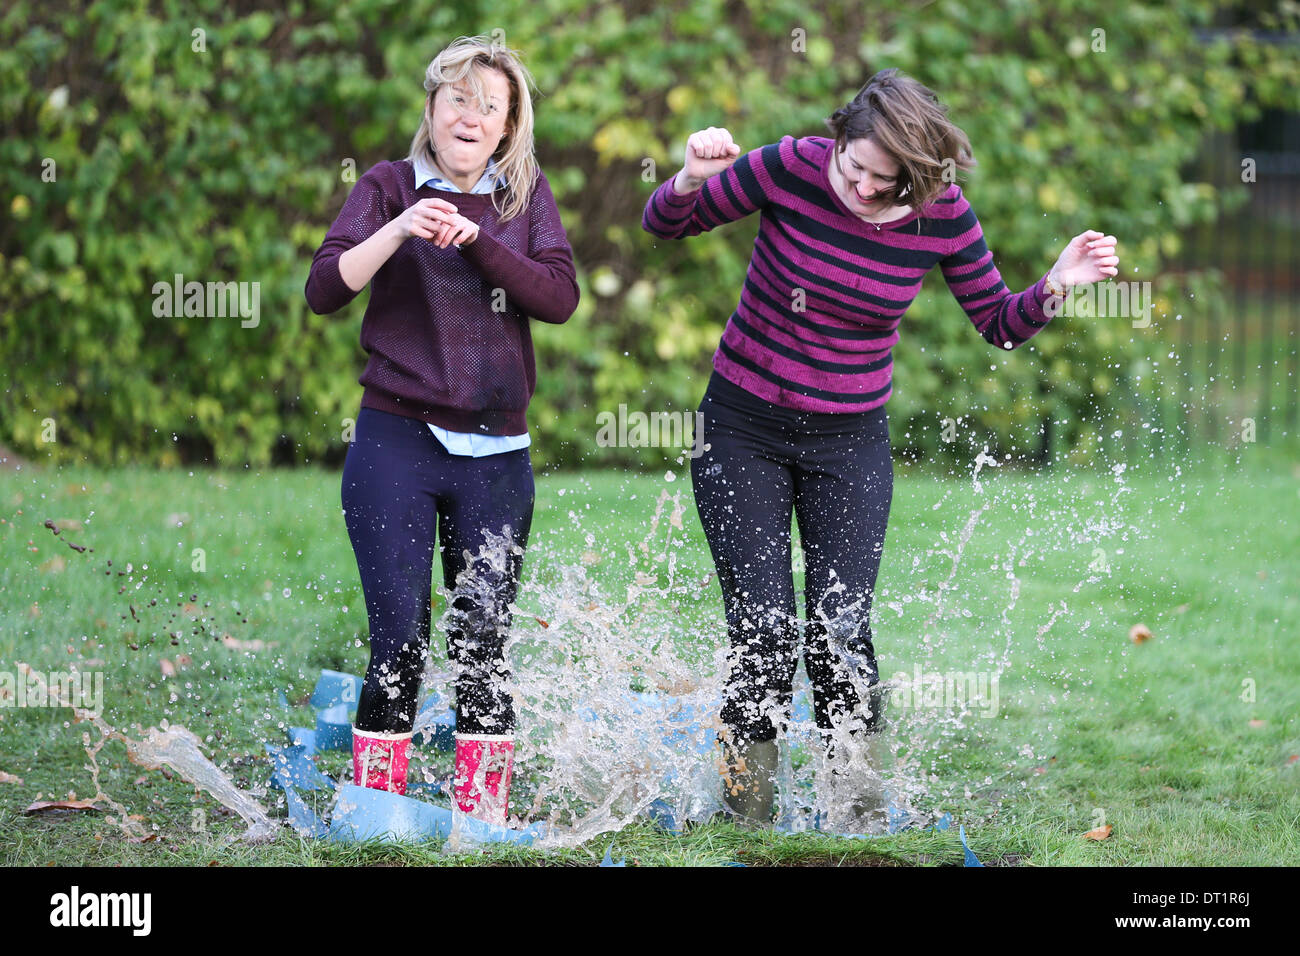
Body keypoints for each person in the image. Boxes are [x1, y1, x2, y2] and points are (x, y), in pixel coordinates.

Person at [641, 68, 1118, 828]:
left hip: (848, 440)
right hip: (742, 427)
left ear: (918, 178)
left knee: (839, 630)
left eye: (884, 182)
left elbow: (998, 320)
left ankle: (856, 816)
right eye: (854, 168)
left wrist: (1058, 282)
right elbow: (666, 225)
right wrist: (691, 177)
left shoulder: (943, 216)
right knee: (762, 629)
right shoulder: (790, 166)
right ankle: (747, 816)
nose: (862, 189)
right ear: (837, 142)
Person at [304, 35, 579, 825]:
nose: (469, 114)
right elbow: (325, 287)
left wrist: (479, 241)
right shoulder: (388, 186)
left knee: (482, 651)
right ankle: (371, 815)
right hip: (396, 441)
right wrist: (398, 230)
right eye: (456, 97)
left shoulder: (524, 198)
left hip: (497, 457)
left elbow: (559, 299)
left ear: (506, 128)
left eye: (488, 106)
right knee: (398, 640)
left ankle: (480, 820)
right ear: (431, 109)